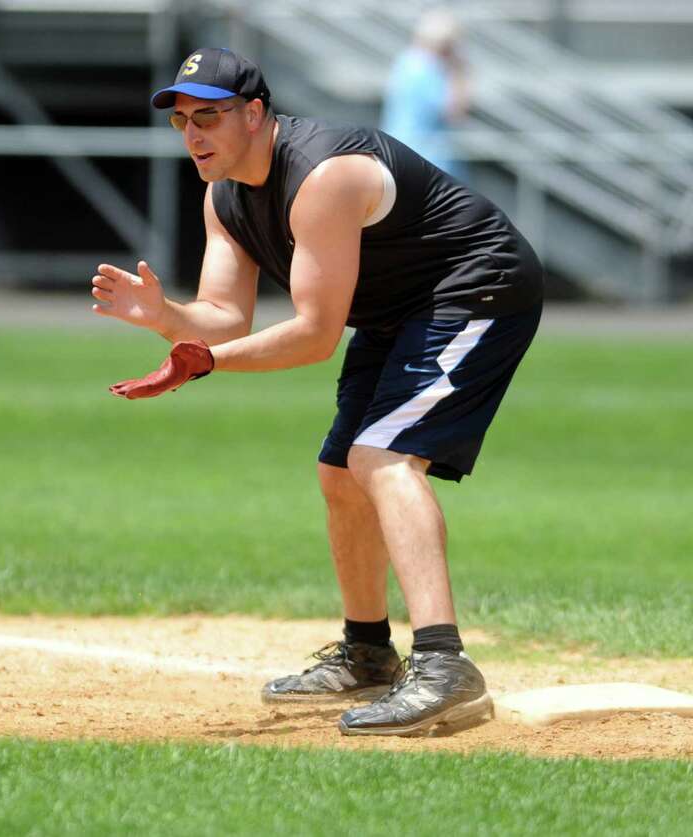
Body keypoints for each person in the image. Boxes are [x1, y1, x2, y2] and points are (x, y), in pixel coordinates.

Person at [91, 47, 543, 737]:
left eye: (208, 117)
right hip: (398, 309)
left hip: (477, 285)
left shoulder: (322, 176)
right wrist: (165, 319)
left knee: (382, 457)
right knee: (340, 473)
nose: (194, 136)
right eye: (182, 122)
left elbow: (314, 335)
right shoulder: (225, 196)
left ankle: (445, 664)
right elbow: (221, 314)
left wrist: (203, 361)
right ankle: (367, 652)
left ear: (254, 113)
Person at [381, 8, 469, 180]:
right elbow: (454, 112)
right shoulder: (428, 69)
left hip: (400, 151)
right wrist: (459, 72)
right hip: (426, 158)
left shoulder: (405, 62)